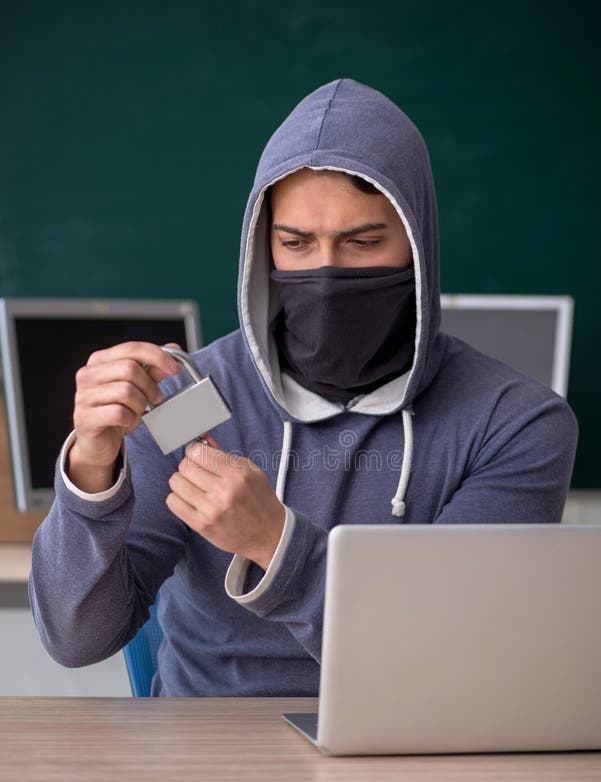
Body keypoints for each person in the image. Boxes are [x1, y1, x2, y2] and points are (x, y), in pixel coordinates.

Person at [29, 78, 578, 696]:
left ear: (417, 244)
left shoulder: (513, 423)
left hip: (407, 742)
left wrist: (275, 543)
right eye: (295, 243)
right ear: (263, 248)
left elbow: (454, 658)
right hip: (206, 745)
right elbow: (77, 639)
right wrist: (91, 467)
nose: (327, 272)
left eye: (363, 242)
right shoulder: (190, 399)